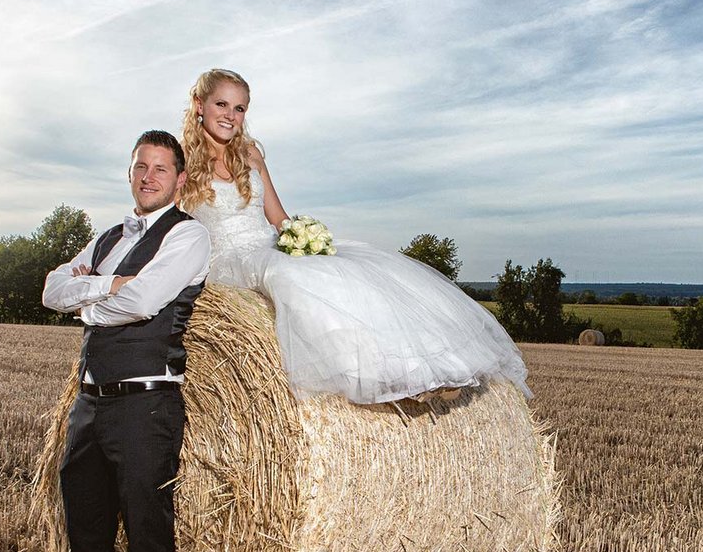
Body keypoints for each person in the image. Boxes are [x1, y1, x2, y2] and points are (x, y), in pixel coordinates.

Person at [11, 130, 210, 552]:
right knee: (87, 534)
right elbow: (50, 290)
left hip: (146, 409)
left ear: (179, 178)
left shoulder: (188, 235)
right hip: (90, 405)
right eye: (139, 167)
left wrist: (91, 295)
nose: (149, 177)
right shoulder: (107, 237)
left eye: (160, 168)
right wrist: (106, 289)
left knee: (149, 544)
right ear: (130, 174)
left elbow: (146, 301)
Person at [177, 68, 529, 404]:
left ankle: (417, 370)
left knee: (345, 272)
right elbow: (168, 226)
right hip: (226, 262)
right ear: (200, 104)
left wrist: (305, 239)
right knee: (288, 277)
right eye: (221, 104)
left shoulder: (249, 154)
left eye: (239, 108)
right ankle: (377, 375)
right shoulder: (181, 161)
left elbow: (278, 216)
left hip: (266, 246)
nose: (230, 115)